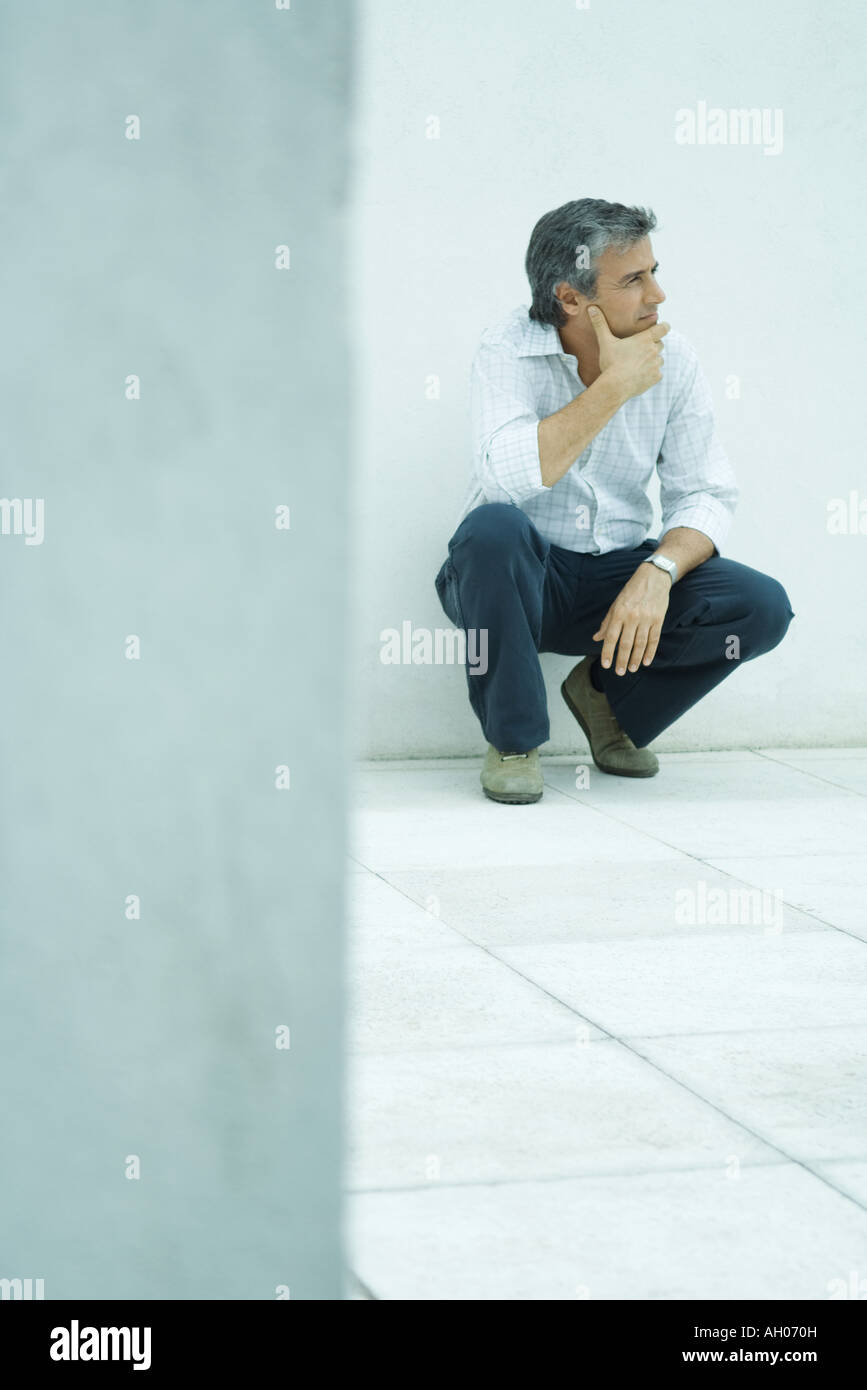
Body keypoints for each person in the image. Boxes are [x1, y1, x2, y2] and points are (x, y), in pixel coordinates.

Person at [434, 198, 794, 803]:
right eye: (634, 279)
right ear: (571, 299)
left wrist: (658, 571)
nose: (657, 295)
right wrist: (613, 385)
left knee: (758, 605)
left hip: (617, 583)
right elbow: (508, 477)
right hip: (518, 579)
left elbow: (705, 491)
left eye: (653, 271)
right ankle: (514, 741)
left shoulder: (675, 359)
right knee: (492, 529)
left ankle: (606, 698)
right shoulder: (506, 349)